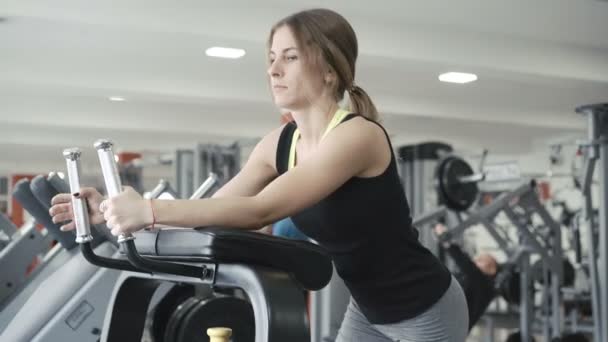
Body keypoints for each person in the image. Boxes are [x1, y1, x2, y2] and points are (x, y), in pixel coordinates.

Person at [50, 8, 468, 341]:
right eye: (271, 59)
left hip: (424, 308)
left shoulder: (357, 137)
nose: (273, 70)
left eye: (289, 58)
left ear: (329, 70)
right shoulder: (278, 144)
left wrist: (149, 209)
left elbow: (258, 210)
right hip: (367, 308)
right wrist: (110, 210)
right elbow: (214, 211)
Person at [435, 224, 497, 330]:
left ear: (491, 270)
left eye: (481, 261)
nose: (475, 261)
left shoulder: (483, 284)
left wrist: (446, 241)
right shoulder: (479, 285)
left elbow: (467, 266)